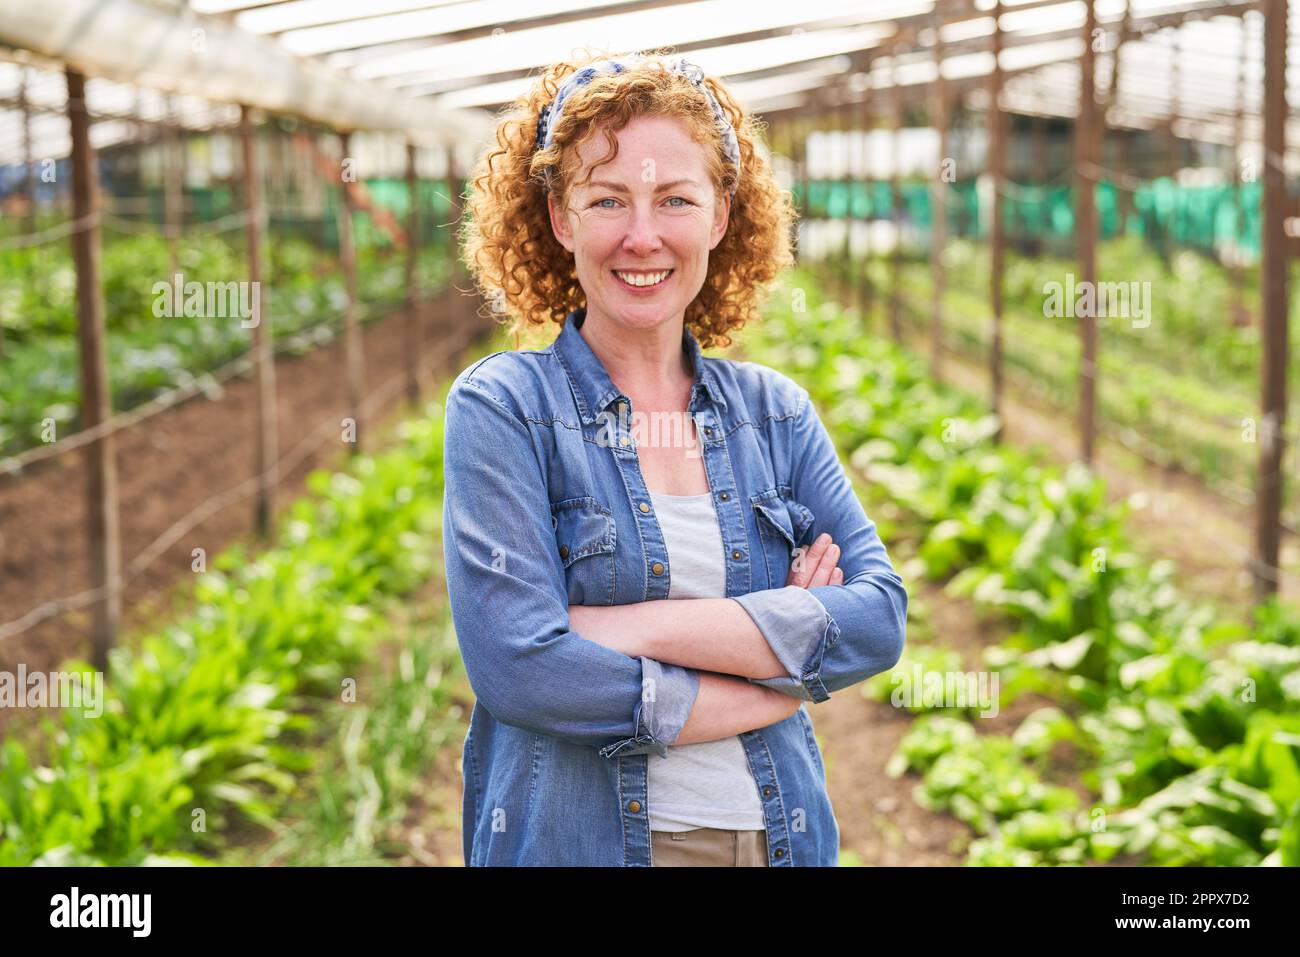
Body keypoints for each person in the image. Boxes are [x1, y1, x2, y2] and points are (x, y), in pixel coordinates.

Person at [444, 50, 908, 867]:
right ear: (560, 217)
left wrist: (611, 628)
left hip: (777, 837)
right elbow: (520, 667)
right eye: (608, 199)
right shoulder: (505, 407)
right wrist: (774, 678)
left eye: (675, 199)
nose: (642, 235)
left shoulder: (775, 411)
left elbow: (877, 618)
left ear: (722, 215)